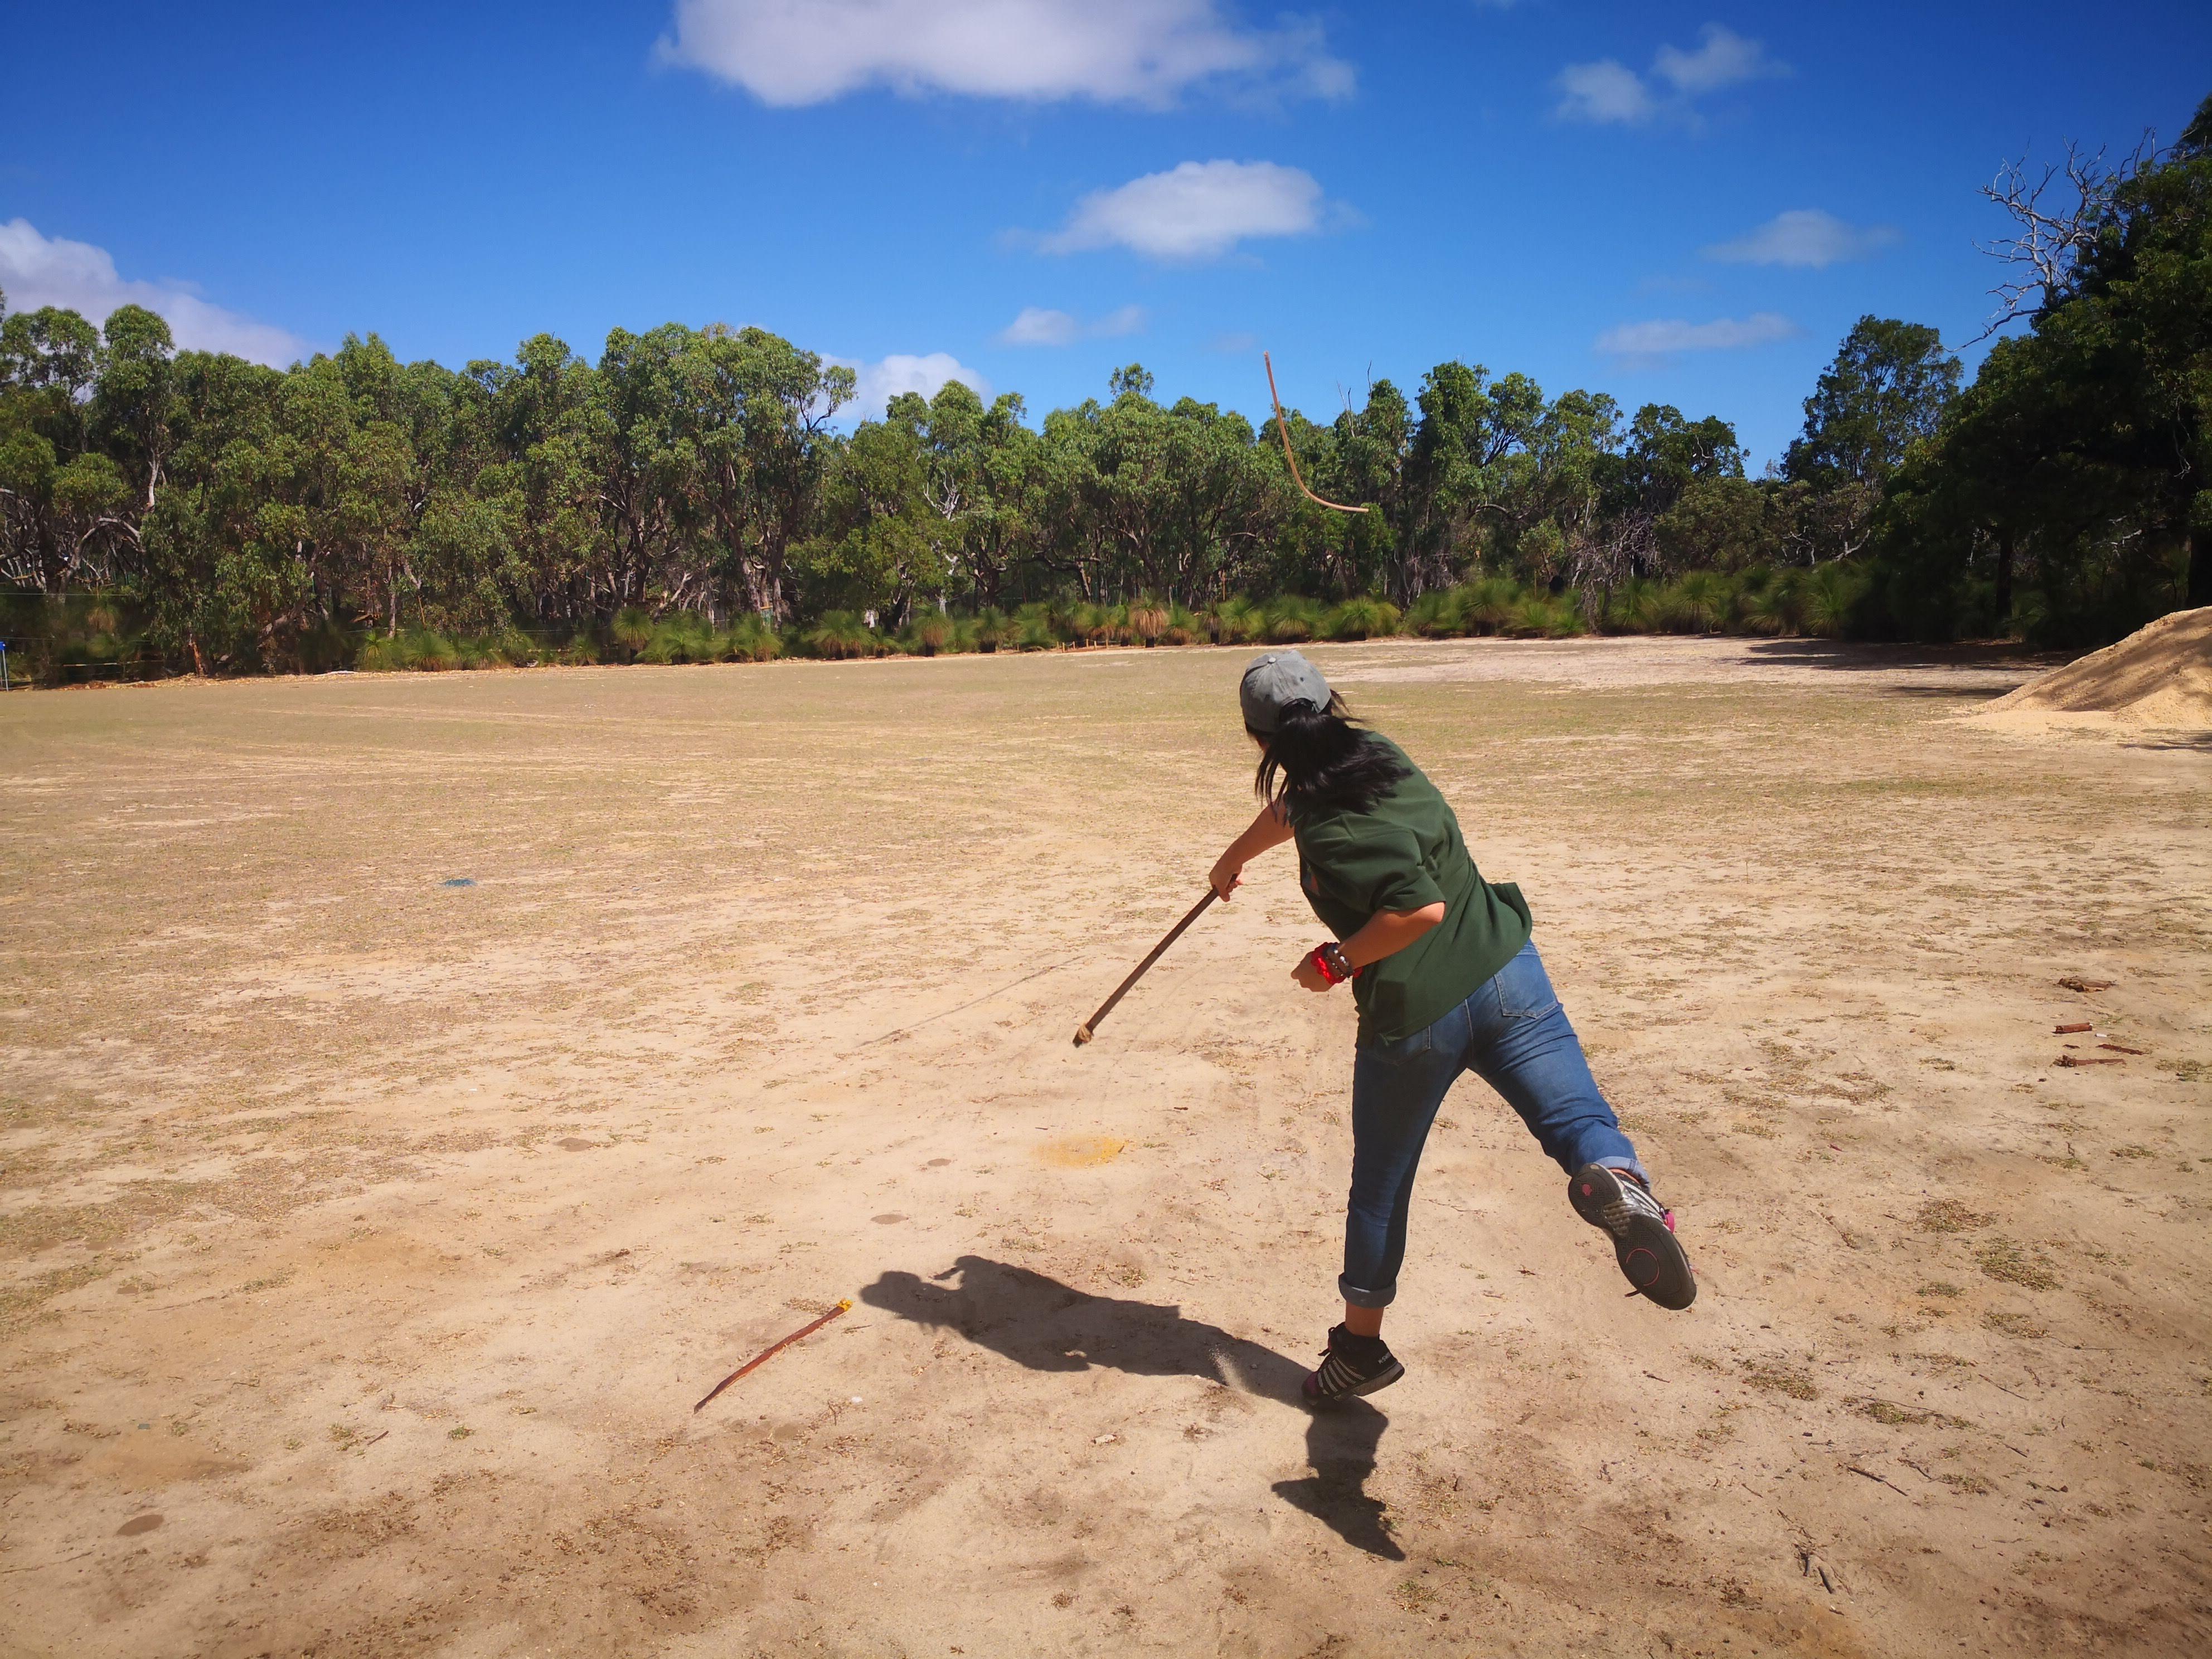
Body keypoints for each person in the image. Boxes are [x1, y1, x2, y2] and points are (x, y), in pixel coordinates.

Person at [1209, 649, 1695, 1405]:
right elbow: (1294, 807)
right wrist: (1233, 858)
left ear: (1257, 739)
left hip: (1417, 1015)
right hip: (1507, 968)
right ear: (1330, 707)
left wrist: (1334, 962)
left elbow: (1416, 908)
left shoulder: (1329, 827)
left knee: (1379, 1189)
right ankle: (1624, 1186)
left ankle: (1360, 1353)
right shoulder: (1377, 755)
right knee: (1576, 1119)